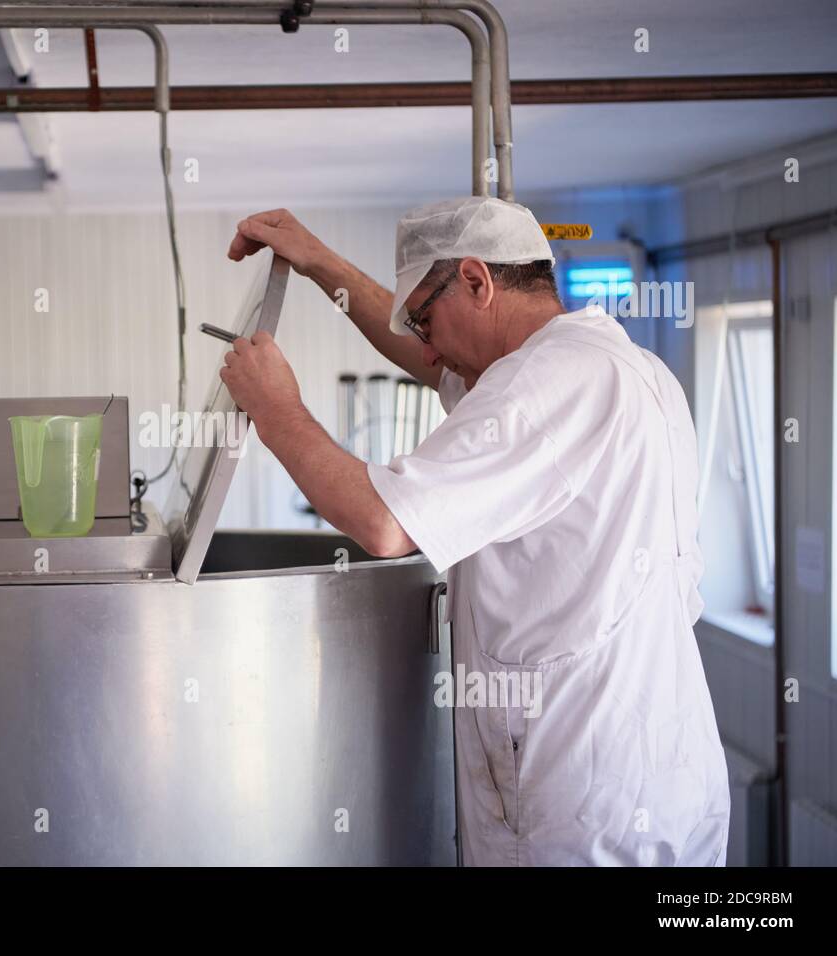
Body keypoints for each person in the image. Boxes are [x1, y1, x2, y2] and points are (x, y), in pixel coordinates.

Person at [218, 196, 730, 866]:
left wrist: (275, 408)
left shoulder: (540, 386)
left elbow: (385, 522)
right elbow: (437, 364)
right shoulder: (625, 367)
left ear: (477, 281)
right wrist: (321, 264)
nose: (425, 346)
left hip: (580, 804)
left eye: (425, 320)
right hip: (664, 780)